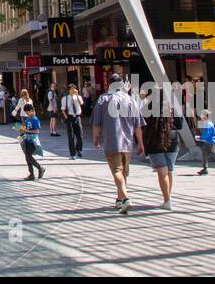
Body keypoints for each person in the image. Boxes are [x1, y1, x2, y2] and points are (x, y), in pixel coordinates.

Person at [92, 74, 145, 214]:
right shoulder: (130, 100)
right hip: (127, 142)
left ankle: (126, 198)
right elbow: (138, 125)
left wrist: (96, 138)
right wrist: (140, 143)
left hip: (111, 141)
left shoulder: (103, 99)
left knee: (117, 171)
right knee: (123, 172)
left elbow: (96, 123)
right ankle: (119, 199)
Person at [143, 104, 180, 209]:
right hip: (172, 138)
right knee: (169, 170)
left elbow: (143, 124)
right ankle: (168, 198)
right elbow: (180, 124)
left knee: (162, 171)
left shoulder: (149, 107)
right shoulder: (171, 107)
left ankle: (167, 200)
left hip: (155, 138)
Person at [19, 103, 45, 180]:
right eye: (26, 113)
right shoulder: (27, 119)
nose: (27, 114)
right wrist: (21, 131)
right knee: (27, 157)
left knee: (28, 156)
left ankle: (40, 168)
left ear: (32, 111)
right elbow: (24, 128)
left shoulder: (35, 119)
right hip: (27, 139)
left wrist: (26, 130)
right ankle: (31, 174)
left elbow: (37, 131)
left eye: (28, 112)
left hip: (32, 140)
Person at [62, 83, 84, 159]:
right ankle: (72, 154)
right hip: (70, 117)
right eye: (71, 89)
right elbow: (63, 109)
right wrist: (66, 117)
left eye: (74, 89)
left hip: (77, 117)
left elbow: (81, 103)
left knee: (80, 135)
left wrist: (77, 95)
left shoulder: (78, 97)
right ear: (69, 90)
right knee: (71, 136)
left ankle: (78, 149)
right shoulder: (65, 98)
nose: (73, 90)